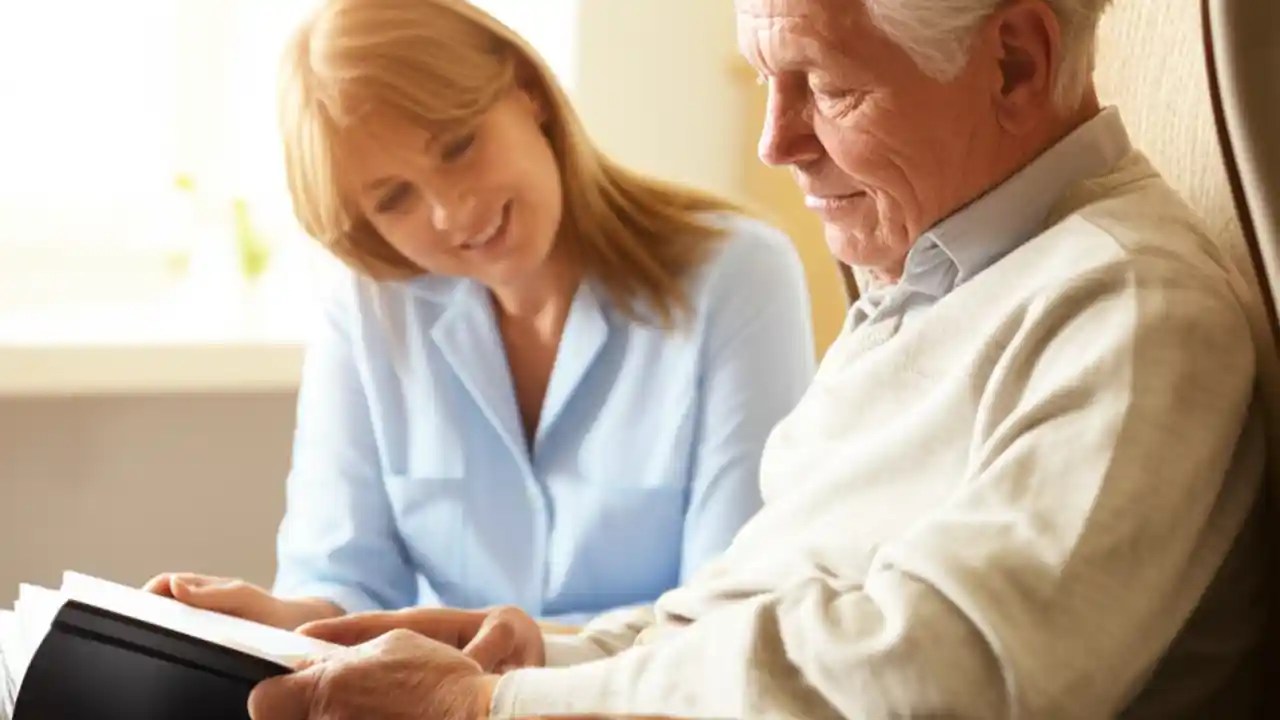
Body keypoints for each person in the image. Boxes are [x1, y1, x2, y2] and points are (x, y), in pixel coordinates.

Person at [241, 0, 1279, 717]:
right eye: (762, 82)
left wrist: (497, 706)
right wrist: (541, 652)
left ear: (1012, 60)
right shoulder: (930, 291)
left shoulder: (1126, 309)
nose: (773, 146)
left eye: (821, 85)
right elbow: (745, 609)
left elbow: (949, 676)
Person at [144, 0, 815, 630]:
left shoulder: (738, 275)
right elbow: (342, 580)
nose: (452, 212)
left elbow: (728, 610)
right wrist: (276, 625)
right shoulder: (369, 310)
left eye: (458, 146)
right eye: (394, 198)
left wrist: (492, 660)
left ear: (525, 90)